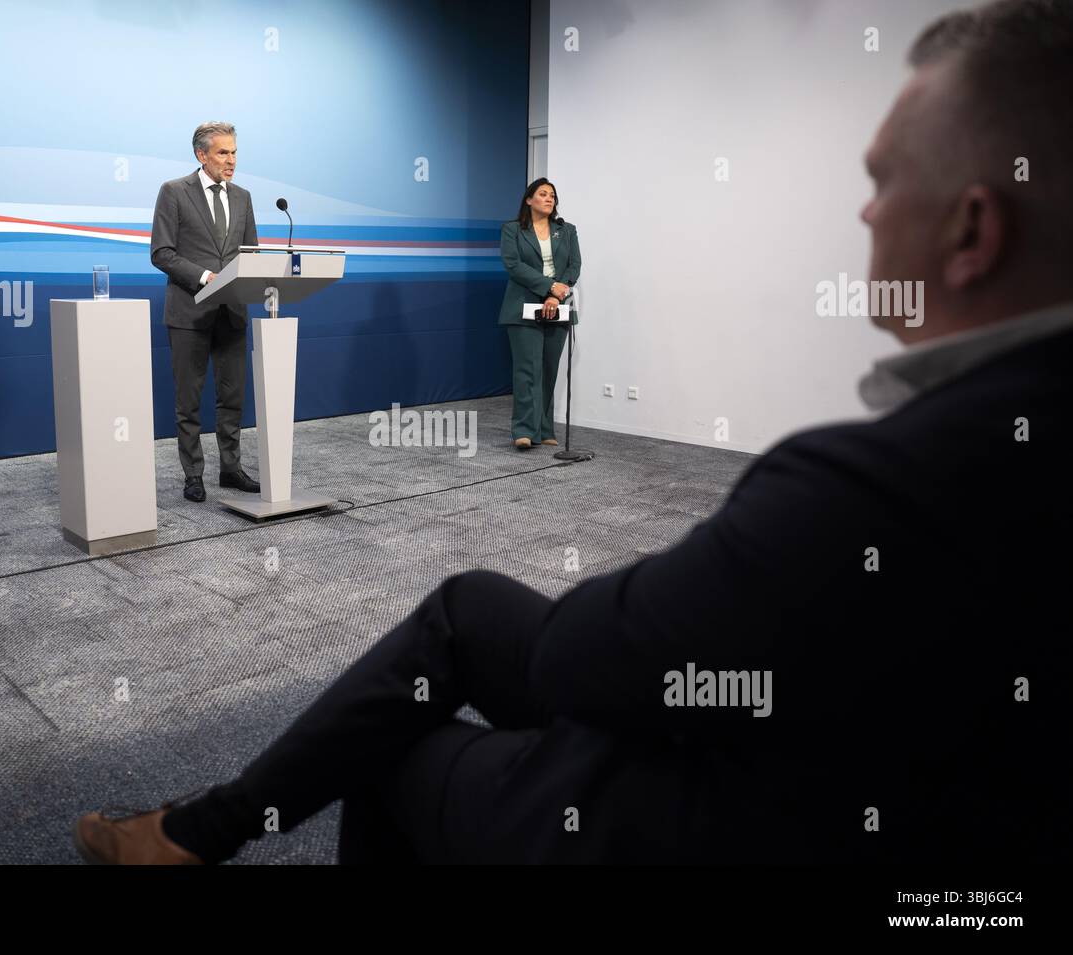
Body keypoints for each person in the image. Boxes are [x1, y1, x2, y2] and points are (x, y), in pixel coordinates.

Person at [75, 0, 1071, 864]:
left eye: (883, 178)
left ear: (971, 231)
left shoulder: (877, 486)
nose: (861, 208)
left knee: (399, 741)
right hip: (840, 769)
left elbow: (598, 660)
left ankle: (193, 833)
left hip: (731, 815)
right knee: (461, 605)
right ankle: (192, 816)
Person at [152, 121, 261, 501]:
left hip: (231, 312)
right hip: (189, 313)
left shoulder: (243, 197)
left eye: (234, 152)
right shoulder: (174, 192)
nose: (231, 161)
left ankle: (231, 469)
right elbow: (161, 253)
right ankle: (193, 474)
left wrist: (247, 277)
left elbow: (250, 255)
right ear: (202, 155)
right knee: (189, 401)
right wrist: (204, 276)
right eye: (222, 153)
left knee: (232, 397)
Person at [497, 179, 581, 450]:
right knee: (527, 370)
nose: (549, 199)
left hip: (556, 306)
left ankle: (544, 429)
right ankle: (523, 430)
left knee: (548, 370)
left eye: (553, 195)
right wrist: (548, 286)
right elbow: (513, 265)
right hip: (522, 306)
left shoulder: (566, 230)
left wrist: (555, 295)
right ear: (529, 200)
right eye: (543, 194)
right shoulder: (512, 230)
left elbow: (574, 265)